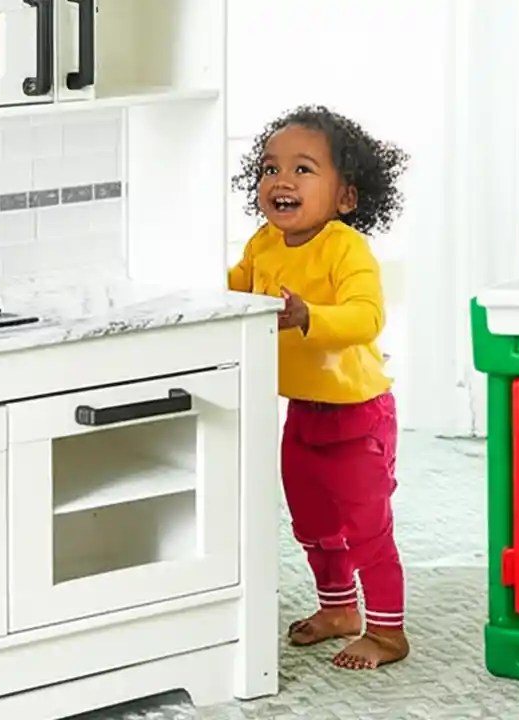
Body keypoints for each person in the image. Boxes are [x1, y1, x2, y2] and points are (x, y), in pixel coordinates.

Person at [227, 105, 410, 670]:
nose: (281, 181)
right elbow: (233, 290)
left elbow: (365, 317)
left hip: (357, 414)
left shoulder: (344, 247)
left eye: (303, 170)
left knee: (366, 528)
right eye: (270, 168)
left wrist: (309, 315)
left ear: (347, 197)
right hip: (301, 411)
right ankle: (338, 609)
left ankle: (386, 631)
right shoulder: (263, 245)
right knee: (312, 523)